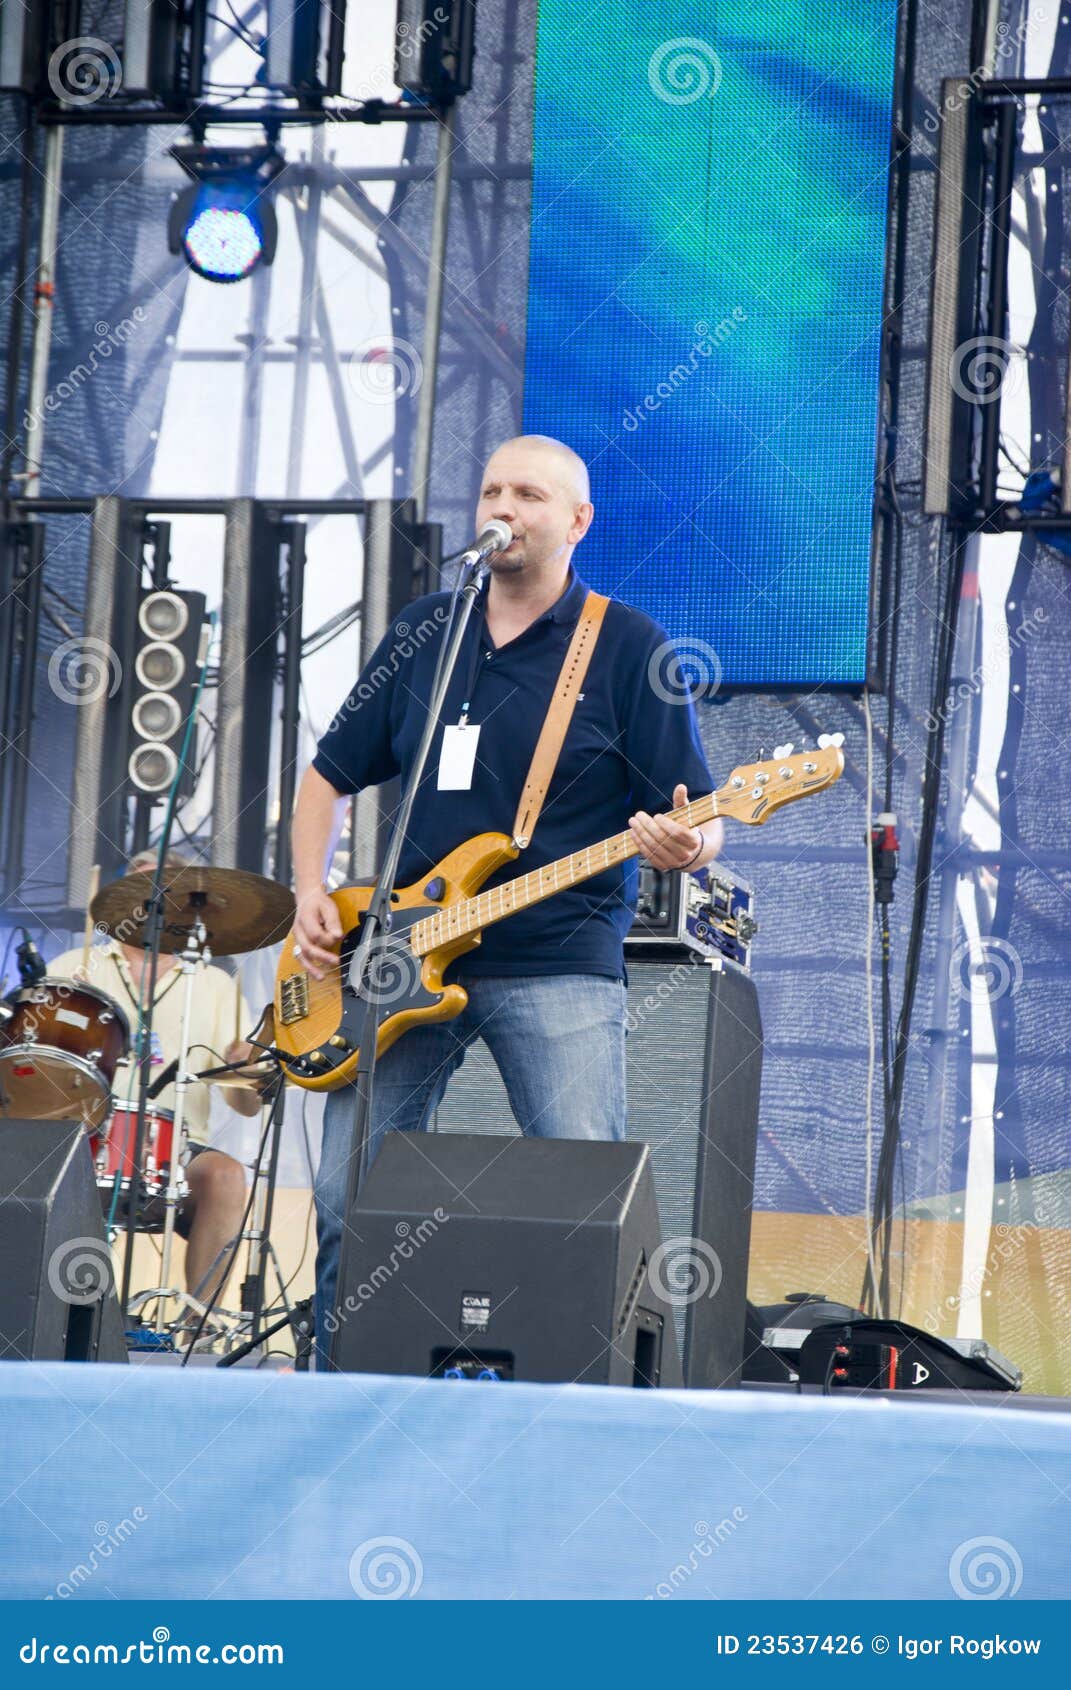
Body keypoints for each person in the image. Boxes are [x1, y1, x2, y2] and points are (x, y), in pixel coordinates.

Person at [290, 434, 724, 1356]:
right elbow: (326, 776)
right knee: (344, 1193)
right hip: (401, 953)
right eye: (491, 487)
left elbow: (705, 813)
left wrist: (687, 844)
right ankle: (341, 1383)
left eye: (528, 493)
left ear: (577, 521)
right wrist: (306, 894)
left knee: (582, 1193)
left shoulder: (628, 646)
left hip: (556, 960)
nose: (503, 506)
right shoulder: (424, 631)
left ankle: (580, 1399)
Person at [48, 851, 266, 1314]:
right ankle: (49, 1321)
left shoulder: (216, 985)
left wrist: (248, 1069)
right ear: (119, 900)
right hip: (80, 1140)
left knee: (226, 1176)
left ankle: (198, 1325)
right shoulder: (76, 965)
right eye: (143, 891)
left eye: (169, 893)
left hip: (178, 1151)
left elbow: (244, 1105)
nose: (155, 903)